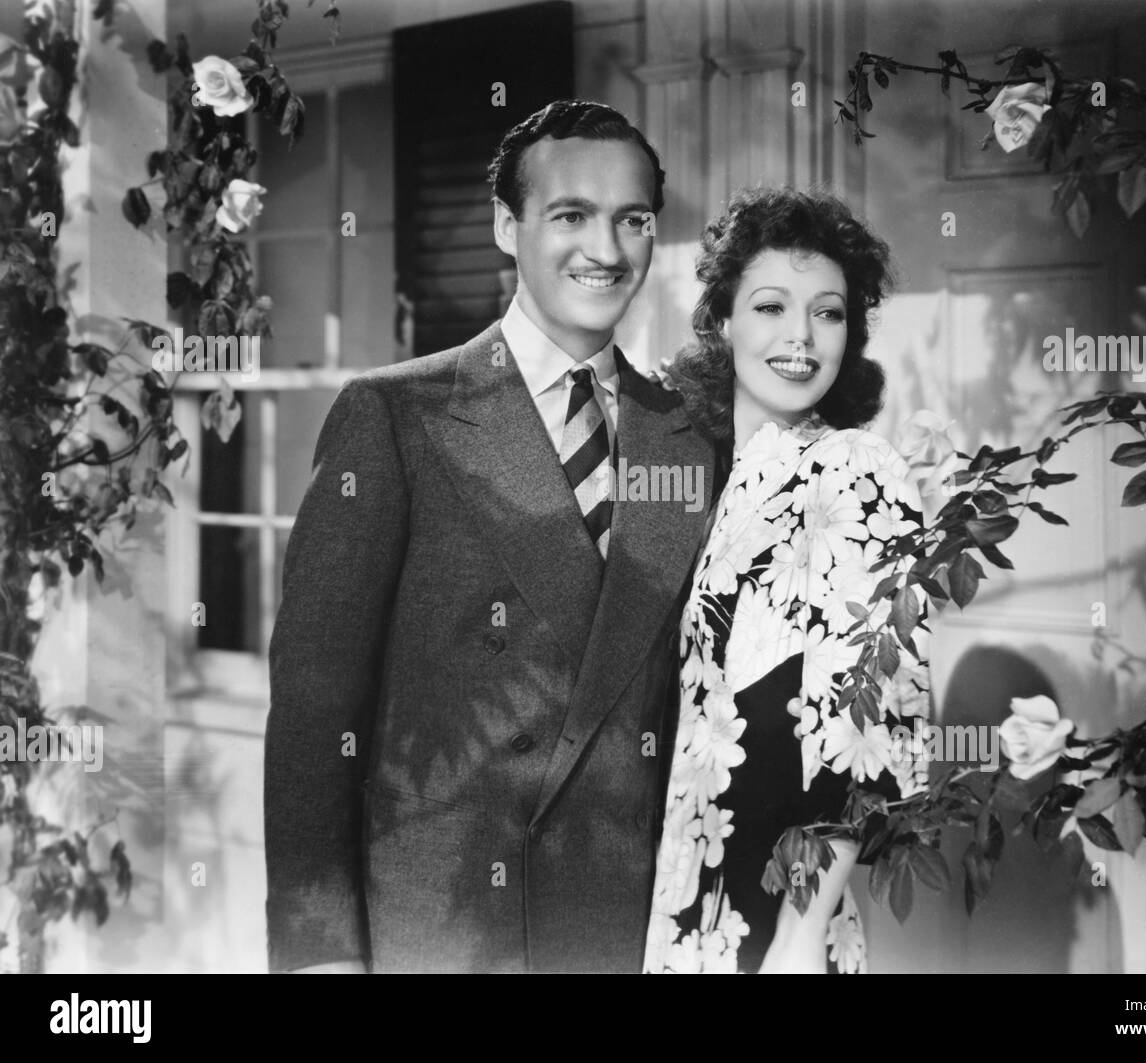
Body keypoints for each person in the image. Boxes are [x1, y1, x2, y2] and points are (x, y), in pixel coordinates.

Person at [264, 100, 721, 973]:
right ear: (508, 228)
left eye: (633, 219)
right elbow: (316, 712)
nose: (607, 249)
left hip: (632, 934)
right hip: (446, 927)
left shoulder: (693, 435)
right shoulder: (398, 415)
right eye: (571, 215)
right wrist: (319, 953)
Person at [642, 188, 932, 974]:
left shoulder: (856, 470)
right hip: (685, 874)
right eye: (771, 306)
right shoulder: (706, 474)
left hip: (774, 915)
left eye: (829, 313)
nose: (801, 337)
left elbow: (866, 727)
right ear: (723, 319)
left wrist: (799, 943)